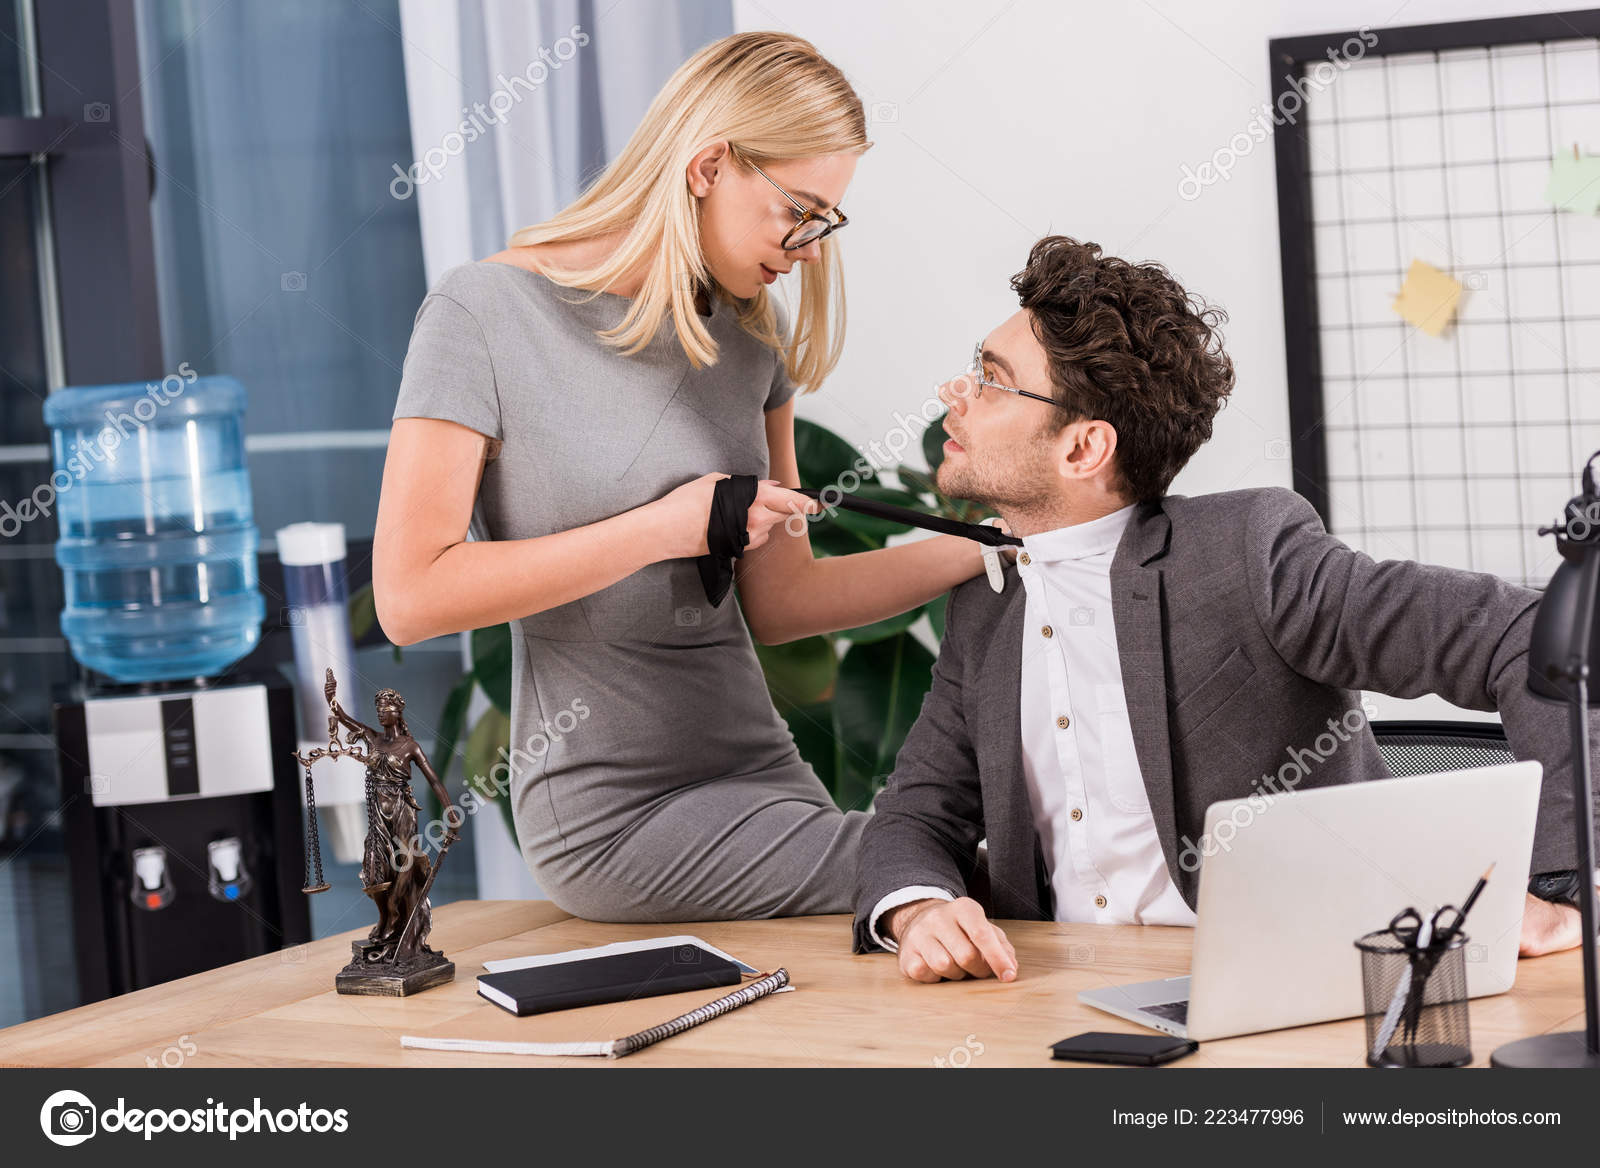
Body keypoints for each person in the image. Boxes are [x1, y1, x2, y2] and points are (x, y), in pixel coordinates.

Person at [853, 234, 1599, 983]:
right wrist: (920, 910)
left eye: (992, 380)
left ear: (1083, 449)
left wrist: (1569, 884)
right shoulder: (988, 605)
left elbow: (1528, 635)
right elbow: (918, 811)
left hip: (1295, 988)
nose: (954, 392)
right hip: (1052, 997)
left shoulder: (1247, 557)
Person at [374, 32, 999, 923]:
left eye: (827, 221)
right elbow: (410, 596)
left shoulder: (748, 338)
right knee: (974, 867)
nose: (810, 248)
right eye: (799, 211)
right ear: (708, 167)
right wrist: (663, 528)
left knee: (946, 890)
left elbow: (785, 601)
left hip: (763, 775)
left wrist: (991, 549)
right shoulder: (482, 315)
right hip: (611, 814)